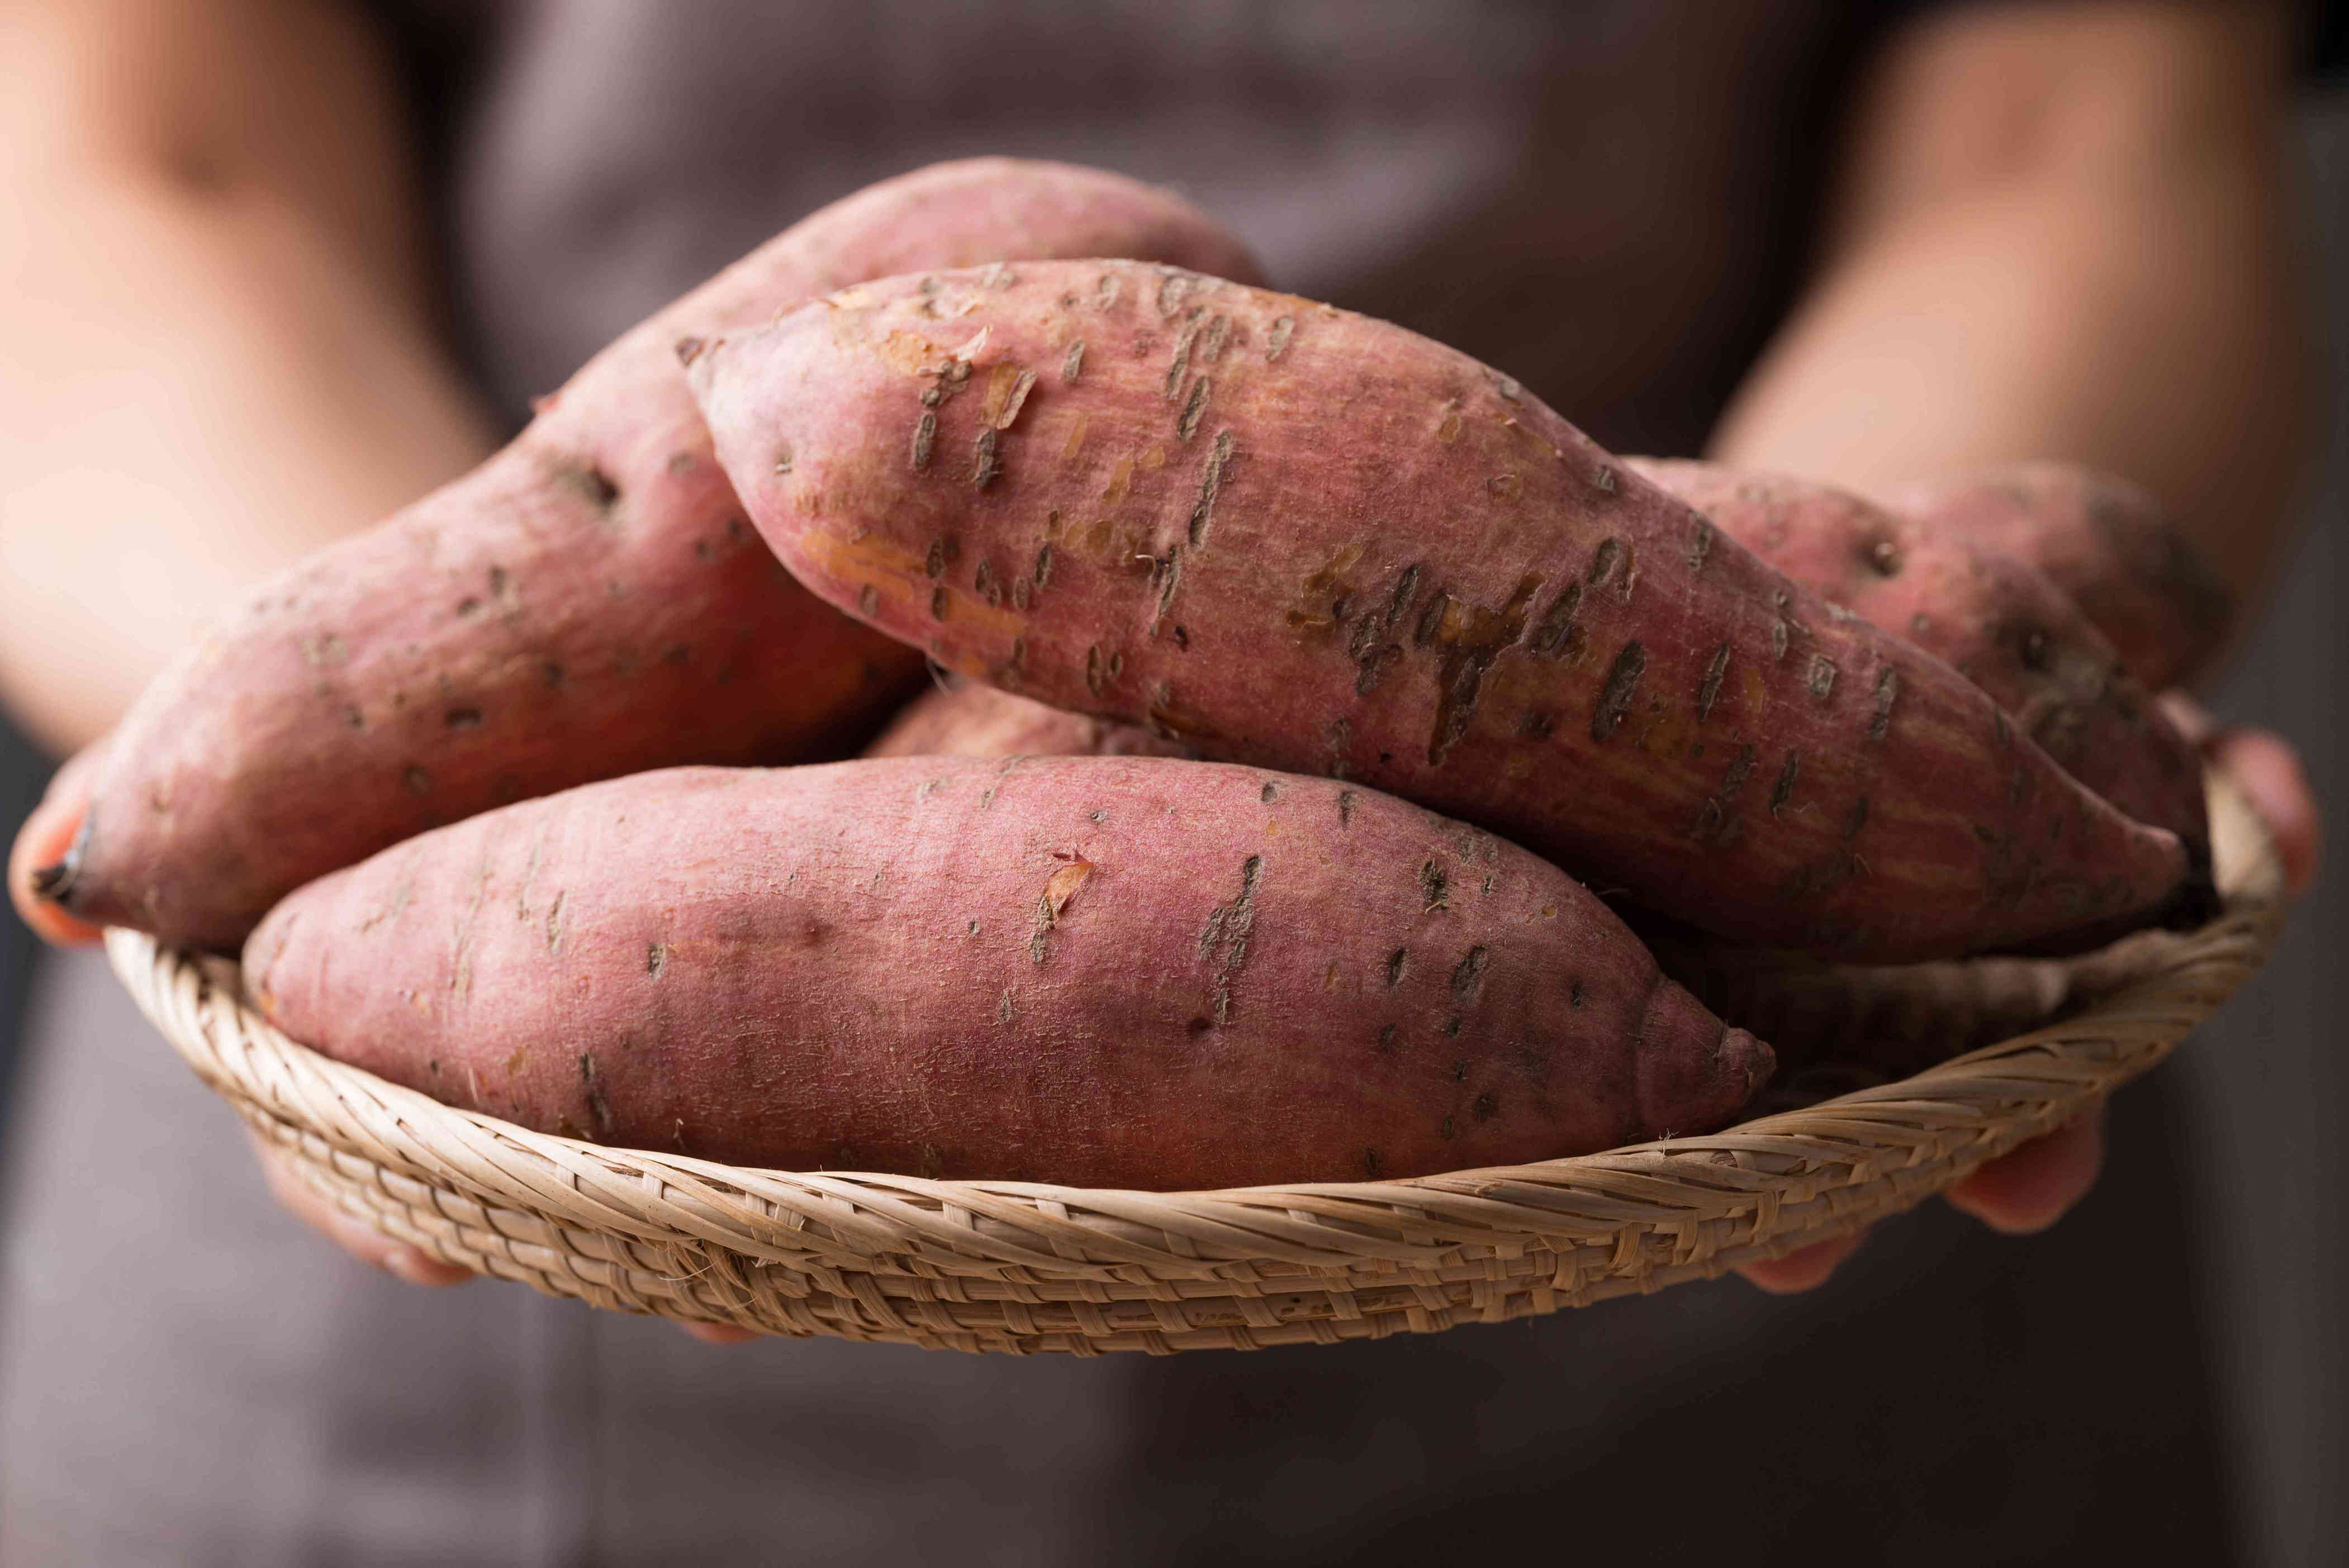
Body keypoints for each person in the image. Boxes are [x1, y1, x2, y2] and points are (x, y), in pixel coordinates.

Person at [0, 1, 2326, 1561]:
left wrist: (1835, 795)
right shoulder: (719, 548)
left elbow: (2074, 125)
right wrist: (353, 808)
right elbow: (140, 160)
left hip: (1762, 1296)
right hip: (430, 1377)